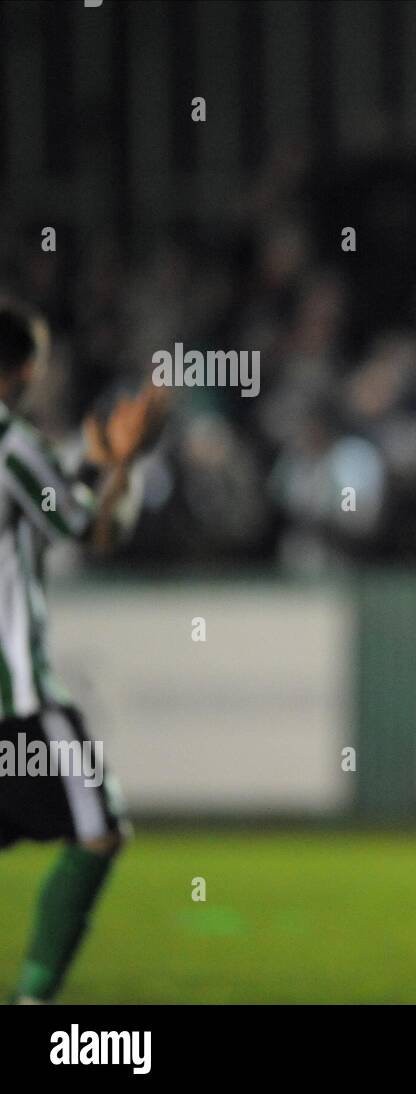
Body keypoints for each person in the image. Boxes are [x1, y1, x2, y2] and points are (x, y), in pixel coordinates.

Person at [0, 302, 167, 1003]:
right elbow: (80, 524)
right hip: (21, 701)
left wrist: (98, 469)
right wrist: (116, 467)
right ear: (22, 369)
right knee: (100, 830)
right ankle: (35, 999)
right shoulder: (11, 441)